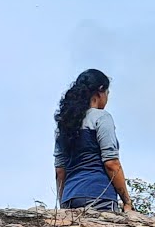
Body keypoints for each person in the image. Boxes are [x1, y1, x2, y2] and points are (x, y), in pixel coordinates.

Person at [52, 68, 133, 212]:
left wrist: (63, 204)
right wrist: (127, 201)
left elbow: (60, 171)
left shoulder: (64, 125)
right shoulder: (101, 118)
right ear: (100, 91)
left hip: (70, 198)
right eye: (107, 93)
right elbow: (111, 163)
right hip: (99, 195)